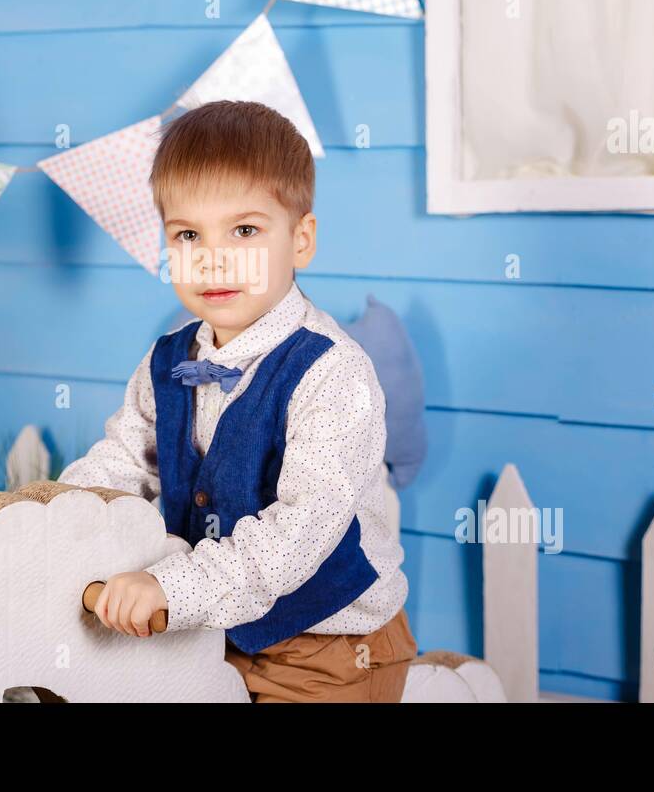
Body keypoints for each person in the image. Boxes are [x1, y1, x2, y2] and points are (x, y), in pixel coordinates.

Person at [57, 99, 417, 702]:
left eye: (244, 230)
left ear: (300, 240)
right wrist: (64, 521)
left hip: (327, 646)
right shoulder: (166, 361)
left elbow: (299, 533)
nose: (214, 256)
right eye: (189, 233)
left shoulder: (332, 372)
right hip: (214, 628)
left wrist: (171, 589)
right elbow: (123, 463)